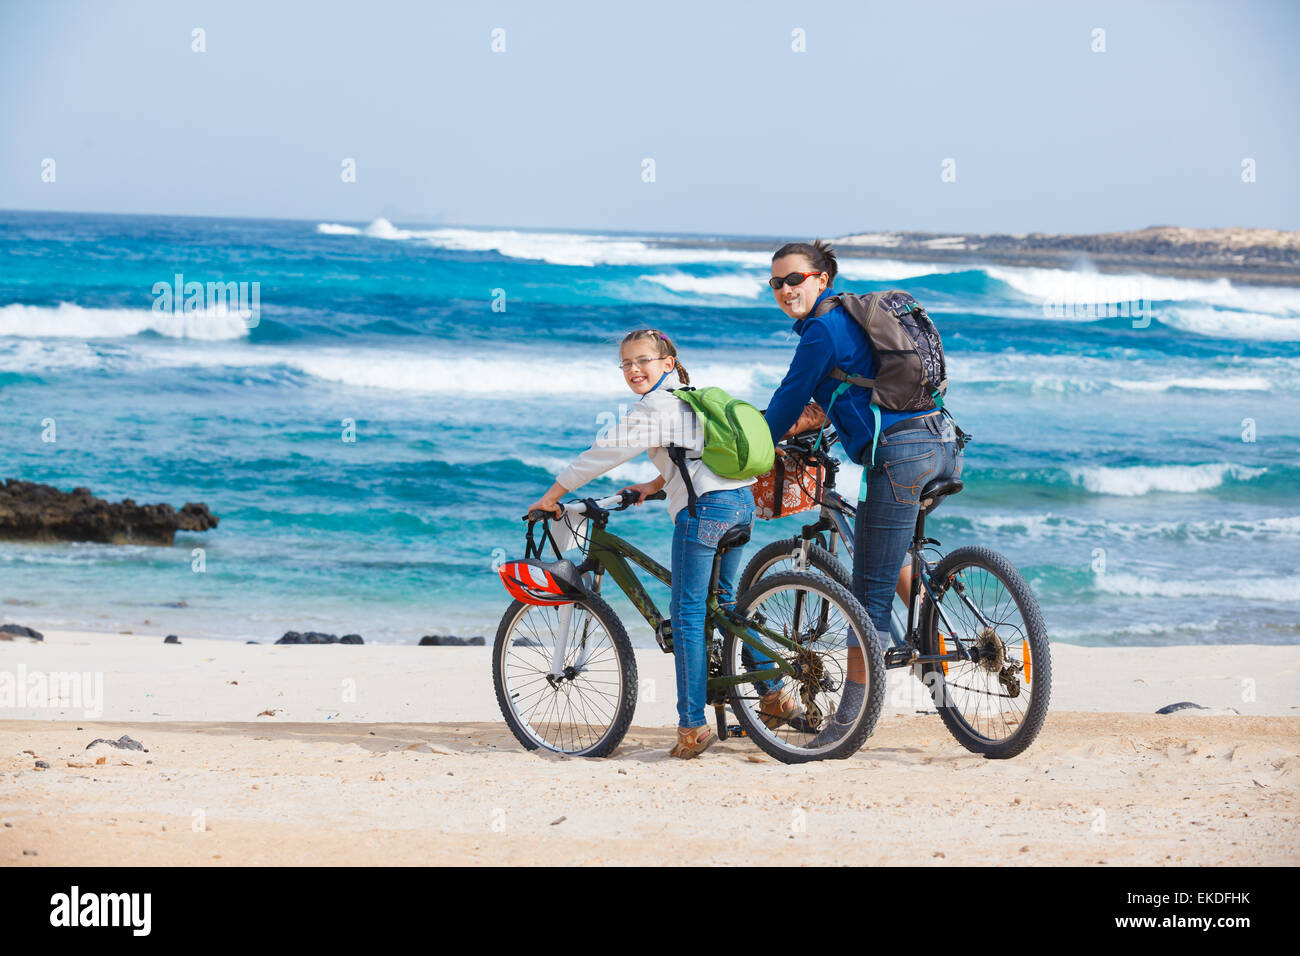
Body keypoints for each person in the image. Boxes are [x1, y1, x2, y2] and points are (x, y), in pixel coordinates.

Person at [525, 328, 803, 759]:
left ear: (667, 363)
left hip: (706, 512)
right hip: (740, 503)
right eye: (626, 364)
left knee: (688, 615)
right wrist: (654, 484)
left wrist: (550, 498)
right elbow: (698, 454)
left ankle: (692, 726)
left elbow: (601, 454)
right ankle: (774, 694)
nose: (634, 370)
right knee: (726, 605)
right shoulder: (691, 397)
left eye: (643, 361)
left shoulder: (654, 406)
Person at [762, 240, 964, 664]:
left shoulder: (821, 330)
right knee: (895, 554)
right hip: (942, 440)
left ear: (822, 279)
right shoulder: (853, 318)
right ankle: (940, 649)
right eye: (776, 282)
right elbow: (860, 388)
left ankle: (850, 719)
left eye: (794, 279)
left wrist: (757, 444)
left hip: (900, 456)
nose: (785, 290)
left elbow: (787, 399)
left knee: (867, 598)